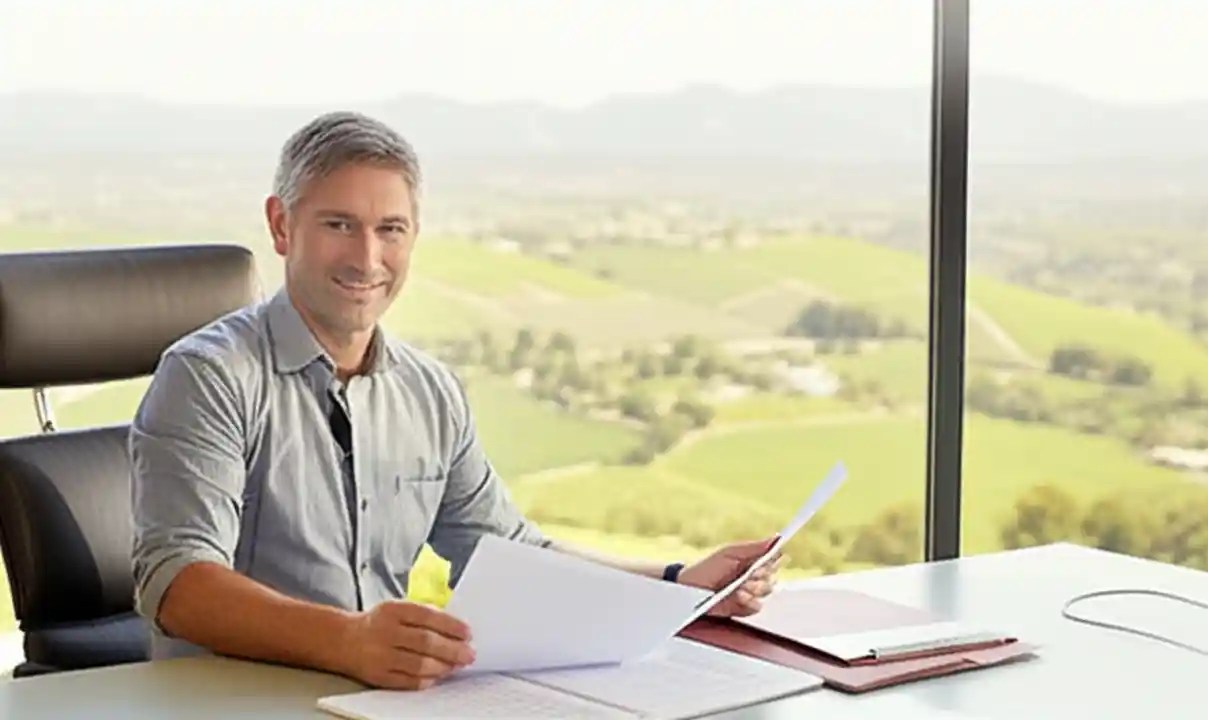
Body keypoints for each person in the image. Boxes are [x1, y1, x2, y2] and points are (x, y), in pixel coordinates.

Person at [129, 110, 781, 691]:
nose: (367, 257)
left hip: (376, 702)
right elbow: (179, 583)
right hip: (231, 701)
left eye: (390, 229)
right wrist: (349, 641)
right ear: (281, 224)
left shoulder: (430, 393)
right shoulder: (209, 377)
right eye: (339, 225)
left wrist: (677, 584)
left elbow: (512, 553)